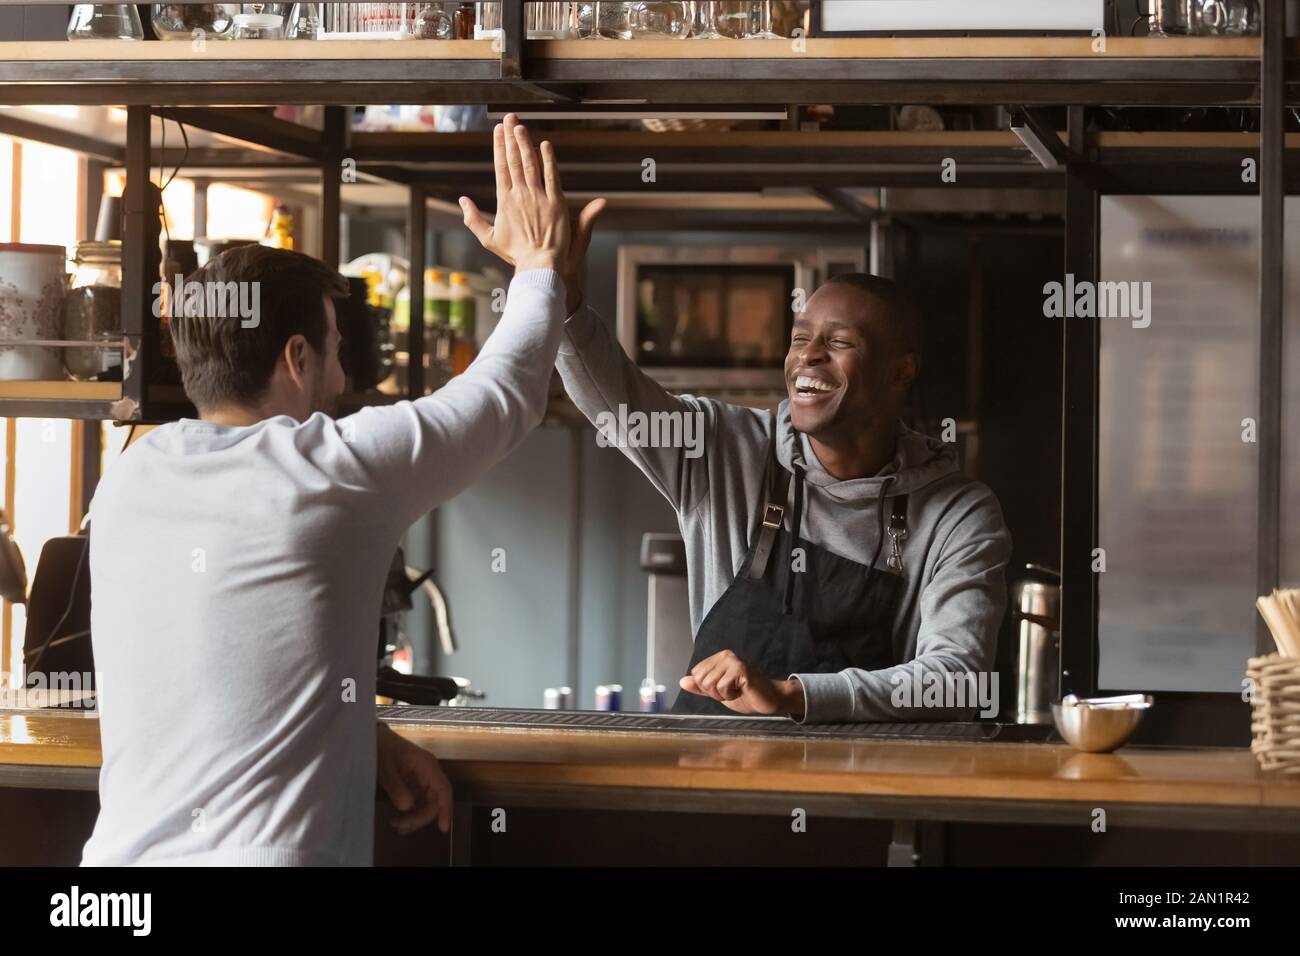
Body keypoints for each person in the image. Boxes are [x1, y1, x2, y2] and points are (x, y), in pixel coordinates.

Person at [83, 115, 590, 865]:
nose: (346, 377)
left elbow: (221, 664)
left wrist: (365, 735)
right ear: (296, 357)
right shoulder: (329, 470)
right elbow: (503, 396)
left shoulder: (126, 479)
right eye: (334, 347)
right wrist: (540, 265)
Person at [555, 266, 1012, 722]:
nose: (808, 357)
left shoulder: (957, 513)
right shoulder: (725, 448)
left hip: (862, 781)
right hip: (708, 773)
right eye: (799, 339)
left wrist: (790, 696)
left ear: (900, 371)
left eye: (838, 342)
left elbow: (958, 681)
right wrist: (559, 296)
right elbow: (616, 403)